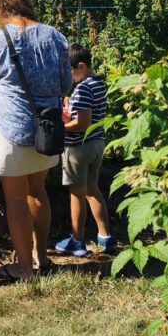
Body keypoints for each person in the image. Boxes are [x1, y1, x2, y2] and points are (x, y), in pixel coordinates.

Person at [0, 0, 72, 281]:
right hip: (48, 127)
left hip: (11, 126)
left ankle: (24, 269)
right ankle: (41, 257)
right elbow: (65, 84)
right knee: (38, 190)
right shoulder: (54, 35)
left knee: (16, 198)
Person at [55, 44, 116, 256]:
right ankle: (105, 237)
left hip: (78, 148)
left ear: (81, 66)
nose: (69, 76)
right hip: (97, 144)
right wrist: (70, 104)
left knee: (76, 194)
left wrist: (59, 127)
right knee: (92, 190)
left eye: (70, 71)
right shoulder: (98, 84)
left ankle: (77, 241)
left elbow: (82, 123)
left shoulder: (82, 88)